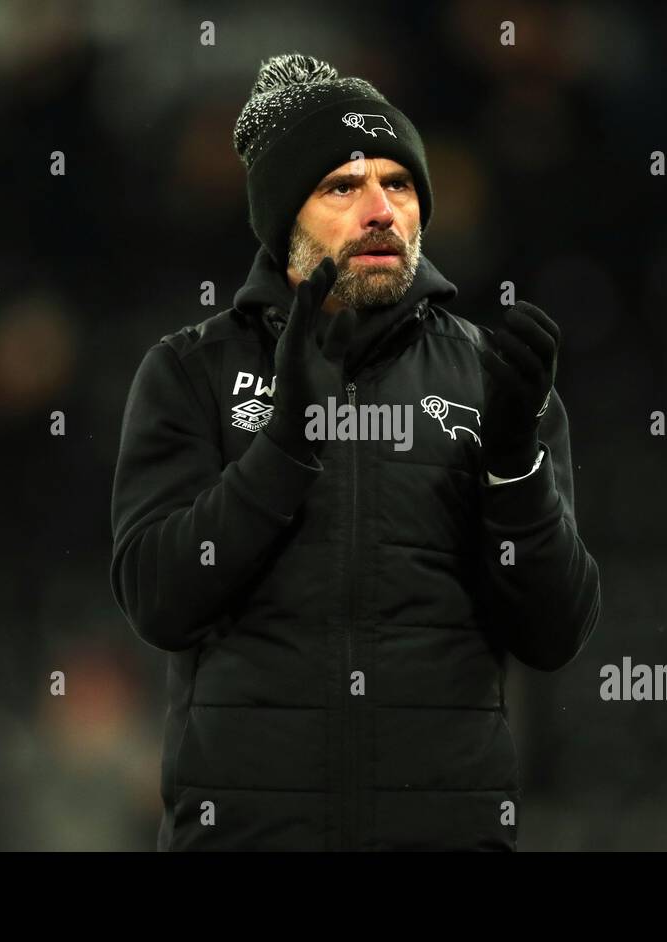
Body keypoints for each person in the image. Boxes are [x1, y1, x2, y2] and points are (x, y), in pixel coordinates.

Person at [110, 52, 601, 851]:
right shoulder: (190, 372)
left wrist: (517, 467)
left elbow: (555, 633)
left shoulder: (494, 382)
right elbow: (158, 599)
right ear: (284, 219)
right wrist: (285, 445)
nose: (381, 210)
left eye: (399, 184)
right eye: (342, 186)